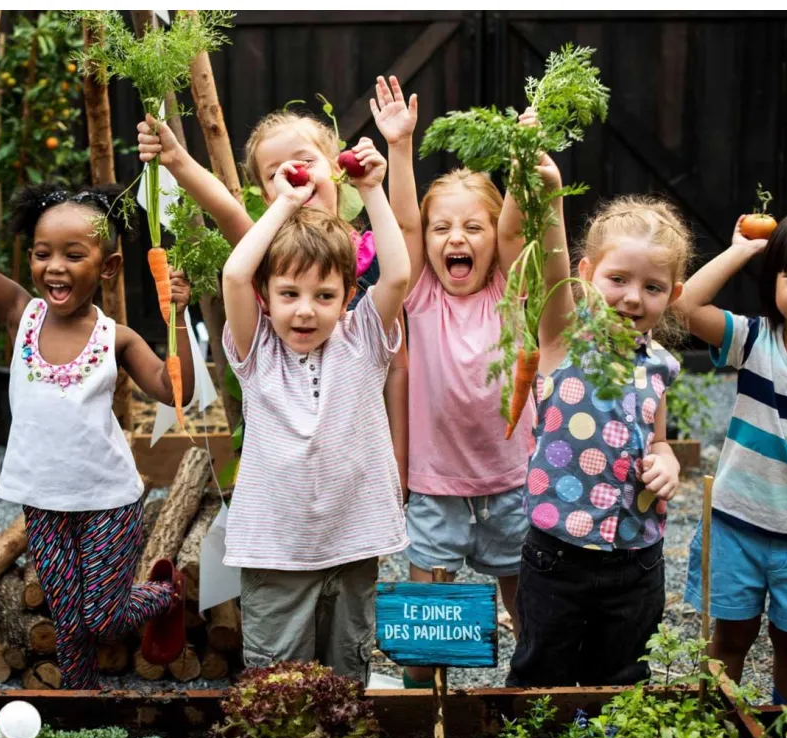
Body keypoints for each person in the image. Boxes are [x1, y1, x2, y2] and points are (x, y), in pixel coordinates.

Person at [0, 124, 194, 689]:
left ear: (107, 268)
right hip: (44, 501)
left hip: (109, 500)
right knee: (69, 626)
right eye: (43, 254)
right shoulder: (23, 315)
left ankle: (166, 595)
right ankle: (80, 710)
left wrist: (177, 316)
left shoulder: (118, 339)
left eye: (74, 254)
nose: (55, 267)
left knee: (103, 616)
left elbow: (175, 392)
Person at [136, 77, 417, 489]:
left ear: (338, 170)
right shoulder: (269, 257)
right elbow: (226, 209)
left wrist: (398, 459)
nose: (294, 172)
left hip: (355, 462)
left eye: (306, 160)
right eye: (275, 173)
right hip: (285, 461)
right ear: (269, 195)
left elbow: (398, 368)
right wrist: (175, 158)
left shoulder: (377, 256)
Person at [220, 136, 409, 685]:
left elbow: (397, 275)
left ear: (349, 295)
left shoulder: (363, 340)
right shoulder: (257, 352)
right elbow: (235, 274)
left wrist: (372, 190)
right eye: (289, 294)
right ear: (266, 297)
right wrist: (283, 203)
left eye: (324, 296)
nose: (306, 311)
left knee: (345, 668)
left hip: (354, 541)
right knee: (277, 675)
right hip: (276, 549)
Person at [506, 150, 689, 687]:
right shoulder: (564, 337)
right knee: (542, 672)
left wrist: (668, 463)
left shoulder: (662, 365)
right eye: (618, 279)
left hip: (637, 556)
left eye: (653, 288)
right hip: (558, 554)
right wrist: (552, 192)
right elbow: (551, 256)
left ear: (672, 296)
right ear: (586, 276)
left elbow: (657, 442)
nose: (633, 298)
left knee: (623, 674)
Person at [395, 120, 544, 689]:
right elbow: (406, 221)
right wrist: (400, 147)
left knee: (530, 610)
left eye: (472, 226)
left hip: (512, 482)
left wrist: (522, 158)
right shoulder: (421, 294)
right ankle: (422, 712)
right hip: (436, 488)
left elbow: (518, 229)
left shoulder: (512, 288)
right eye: (443, 228)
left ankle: (532, 698)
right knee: (421, 635)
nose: (456, 238)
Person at [678, 208, 787, 705]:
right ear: (772, 277)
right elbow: (684, 306)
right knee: (731, 636)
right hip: (738, 523)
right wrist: (740, 250)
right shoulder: (755, 340)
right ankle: (716, 733)